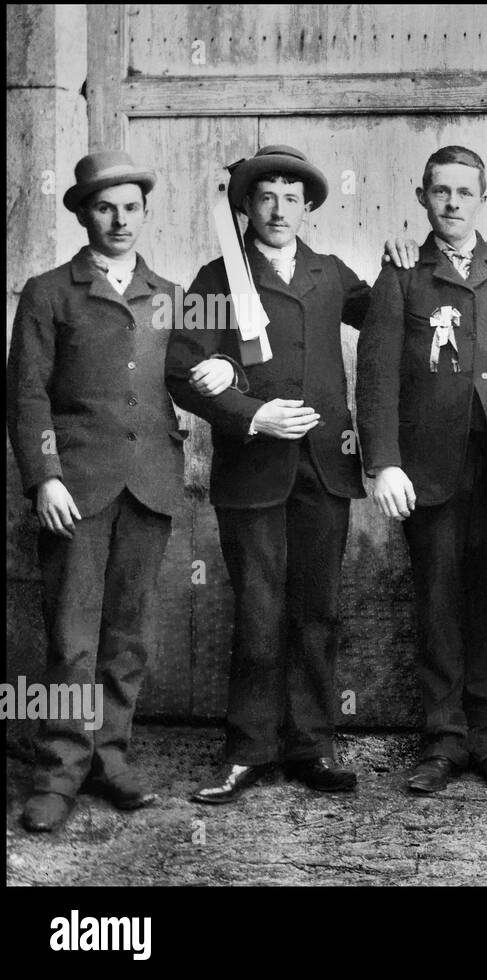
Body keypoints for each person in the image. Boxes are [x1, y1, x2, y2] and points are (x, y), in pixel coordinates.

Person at [8, 151, 221, 830]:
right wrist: (44, 478)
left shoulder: (170, 294)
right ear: (82, 213)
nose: (119, 219)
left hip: (150, 486)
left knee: (127, 636)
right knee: (72, 637)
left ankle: (112, 758)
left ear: (145, 213)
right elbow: (26, 396)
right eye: (105, 207)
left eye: (131, 207)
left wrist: (218, 370)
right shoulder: (48, 292)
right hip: (76, 488)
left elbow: (189, 376)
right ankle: (58, 773)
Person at [166, 145, 371, 804]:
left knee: (318, 612)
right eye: (265, 196)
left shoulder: (330, 272)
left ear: (308, 205)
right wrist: (251, 414)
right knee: (258, 613)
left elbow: (394, 313)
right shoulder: (216, 277)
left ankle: (312, 743)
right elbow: (181, 370)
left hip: (325, 469)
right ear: (247, 207)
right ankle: (248, 748)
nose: (279, 208)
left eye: (291, 196)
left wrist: (407, 257)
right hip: (253, 472)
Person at [356, 146, 487, 794]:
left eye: (465, 191)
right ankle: (442, 739)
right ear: (423, 197)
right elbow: (375, 376)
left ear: (483, 198)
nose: (453, 203)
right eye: (441, 191)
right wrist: (382, 463)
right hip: (429, 471)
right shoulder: (403, 272)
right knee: (436, 603)